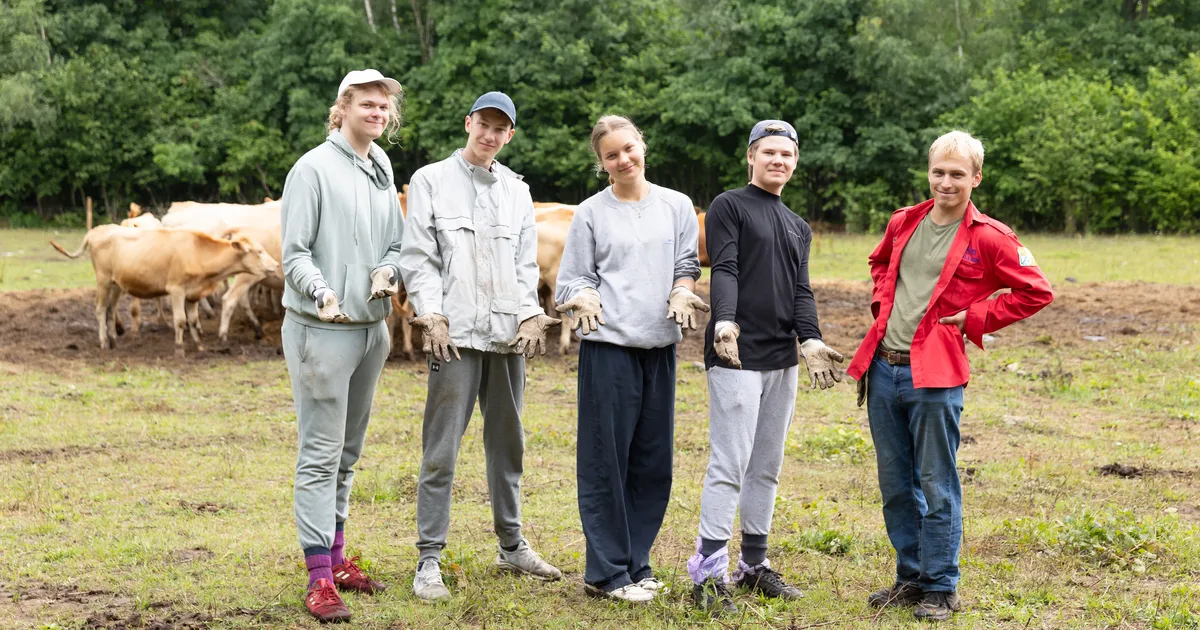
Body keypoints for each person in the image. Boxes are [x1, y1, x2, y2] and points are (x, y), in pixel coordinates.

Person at [845, 130, 1053, 621]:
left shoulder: (990, 237)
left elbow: (1036, 291)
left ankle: (941, 585)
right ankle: (910, 577)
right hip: (883, 367)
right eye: (939, 172)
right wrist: (884, 303)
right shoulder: (904, 222)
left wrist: (975, 316)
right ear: (929, 172)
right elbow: (879, 263)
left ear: (975, 178)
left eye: (957, 174)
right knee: (896, 484)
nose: (946, 182)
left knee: (937, 482)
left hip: (934, 376)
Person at [399, 91, 563, 603]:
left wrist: (531, 313)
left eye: (501, 128)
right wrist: (431, 313)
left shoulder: (516, 190)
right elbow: (420, 257)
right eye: (483, 124)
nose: (490, 134)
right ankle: (429, 558)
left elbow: (524, 266)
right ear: (468, 123)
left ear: (509, 135)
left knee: (508, 442)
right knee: (441, 447)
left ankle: (511, 544)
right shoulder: (430, 180)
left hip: (506, 338)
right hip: (454, 337)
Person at [687, 120, 845, 615]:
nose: (779, 161)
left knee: (766, 466)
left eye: (787, 154)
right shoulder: (729, 206)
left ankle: (753, 566)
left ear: (795, 162)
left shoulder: (799, 225)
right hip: (735, 352)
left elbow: (801, 290)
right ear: (751, 157)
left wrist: (811, 338)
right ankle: (708, 575)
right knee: (730, 463)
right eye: (769, 152)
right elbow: (726, 268)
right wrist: (724, 323)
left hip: (781, 358)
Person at [554, 115, 706, 602]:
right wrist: (584, 297)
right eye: (611, 155)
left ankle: (637, 561)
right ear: (602, 164)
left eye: (629, 148)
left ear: (643, 146)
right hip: (609, 348)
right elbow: (572, 278)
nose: (624, 160)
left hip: (659, 347)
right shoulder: (591, 213)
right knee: (606, 462)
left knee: (652, 462)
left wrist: (684, 289)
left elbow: (686, 264)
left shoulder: (677, 206)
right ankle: (606, 572)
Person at [279, 69, 405, 623]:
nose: (377, 113)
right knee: (320, 453)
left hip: (371, 330)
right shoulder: (312, 169)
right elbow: (294, 253)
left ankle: (336, 557)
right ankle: (317, 579)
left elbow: (397, 241)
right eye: (368, 104)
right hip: (323, 328)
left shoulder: (380, 165)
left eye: (384, 106)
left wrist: (390, 271)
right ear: (343, 107)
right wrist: (321, 290)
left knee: (348, 454)